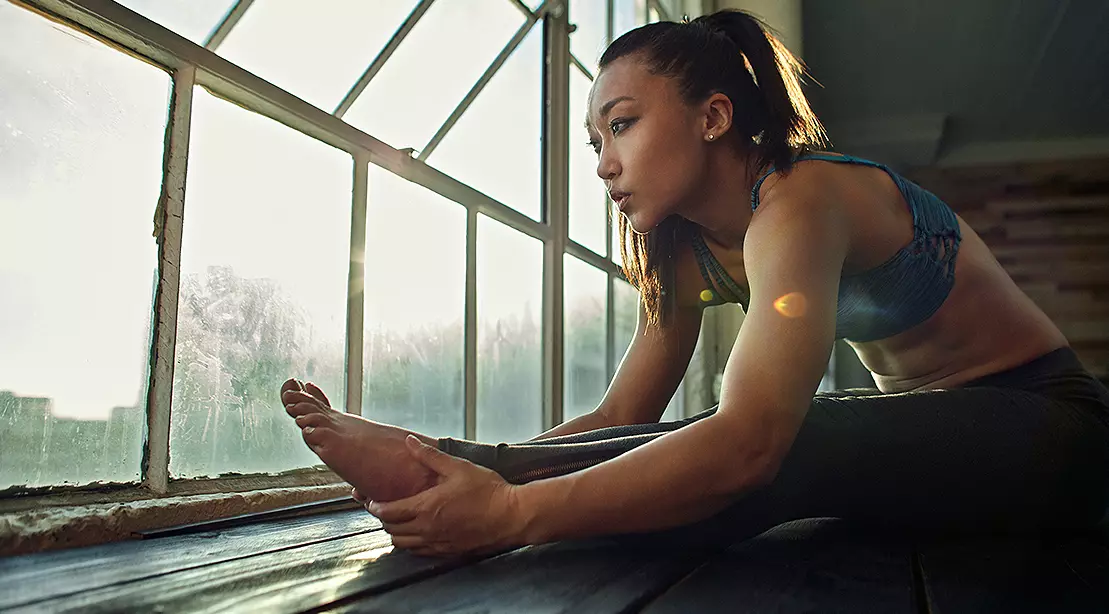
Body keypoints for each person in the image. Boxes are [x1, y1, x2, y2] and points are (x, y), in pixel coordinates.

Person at [280, 9, 1109, 557]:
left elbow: (751, 442)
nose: (604, 163)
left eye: (623, 124)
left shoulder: (802, 199)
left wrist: (512, 515)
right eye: (594, 139)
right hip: (925, 426)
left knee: (776, 437)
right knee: (705, 434)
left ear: (712, 117)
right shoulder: (686, 251)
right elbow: (620, 417)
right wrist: (495, 465)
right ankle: (440, 459)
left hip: (1051, 427)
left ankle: (460, 477)